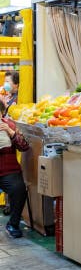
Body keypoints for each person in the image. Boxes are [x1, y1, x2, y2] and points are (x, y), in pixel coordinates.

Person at [0, 101, 28, 238]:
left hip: (8, 170)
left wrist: (11, 133)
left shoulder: (10, 124)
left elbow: (24, 147)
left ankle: (13, 223)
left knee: (19, 189)